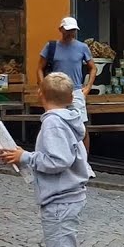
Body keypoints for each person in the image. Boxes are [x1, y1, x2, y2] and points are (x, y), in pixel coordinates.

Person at [0, 72, 99, 247]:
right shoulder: (68, 118)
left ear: (41, 95)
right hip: (68, 196)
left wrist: (25, 157)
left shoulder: (53, 123)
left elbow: (58, 160)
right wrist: (23, 155)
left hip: (60, 198)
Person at [38, 17, 96, 151]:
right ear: (61, 30)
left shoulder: (82, 47)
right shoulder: (51, 47)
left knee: (81, 127)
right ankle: (60, 153)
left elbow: (92, 67)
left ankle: (84, 162)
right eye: (68, 30)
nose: (70, 33)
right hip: (55, 91)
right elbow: (40, 67)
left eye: (73, 30)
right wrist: (44, 87)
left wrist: (87, 87)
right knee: (56, 123)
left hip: (75, 91)